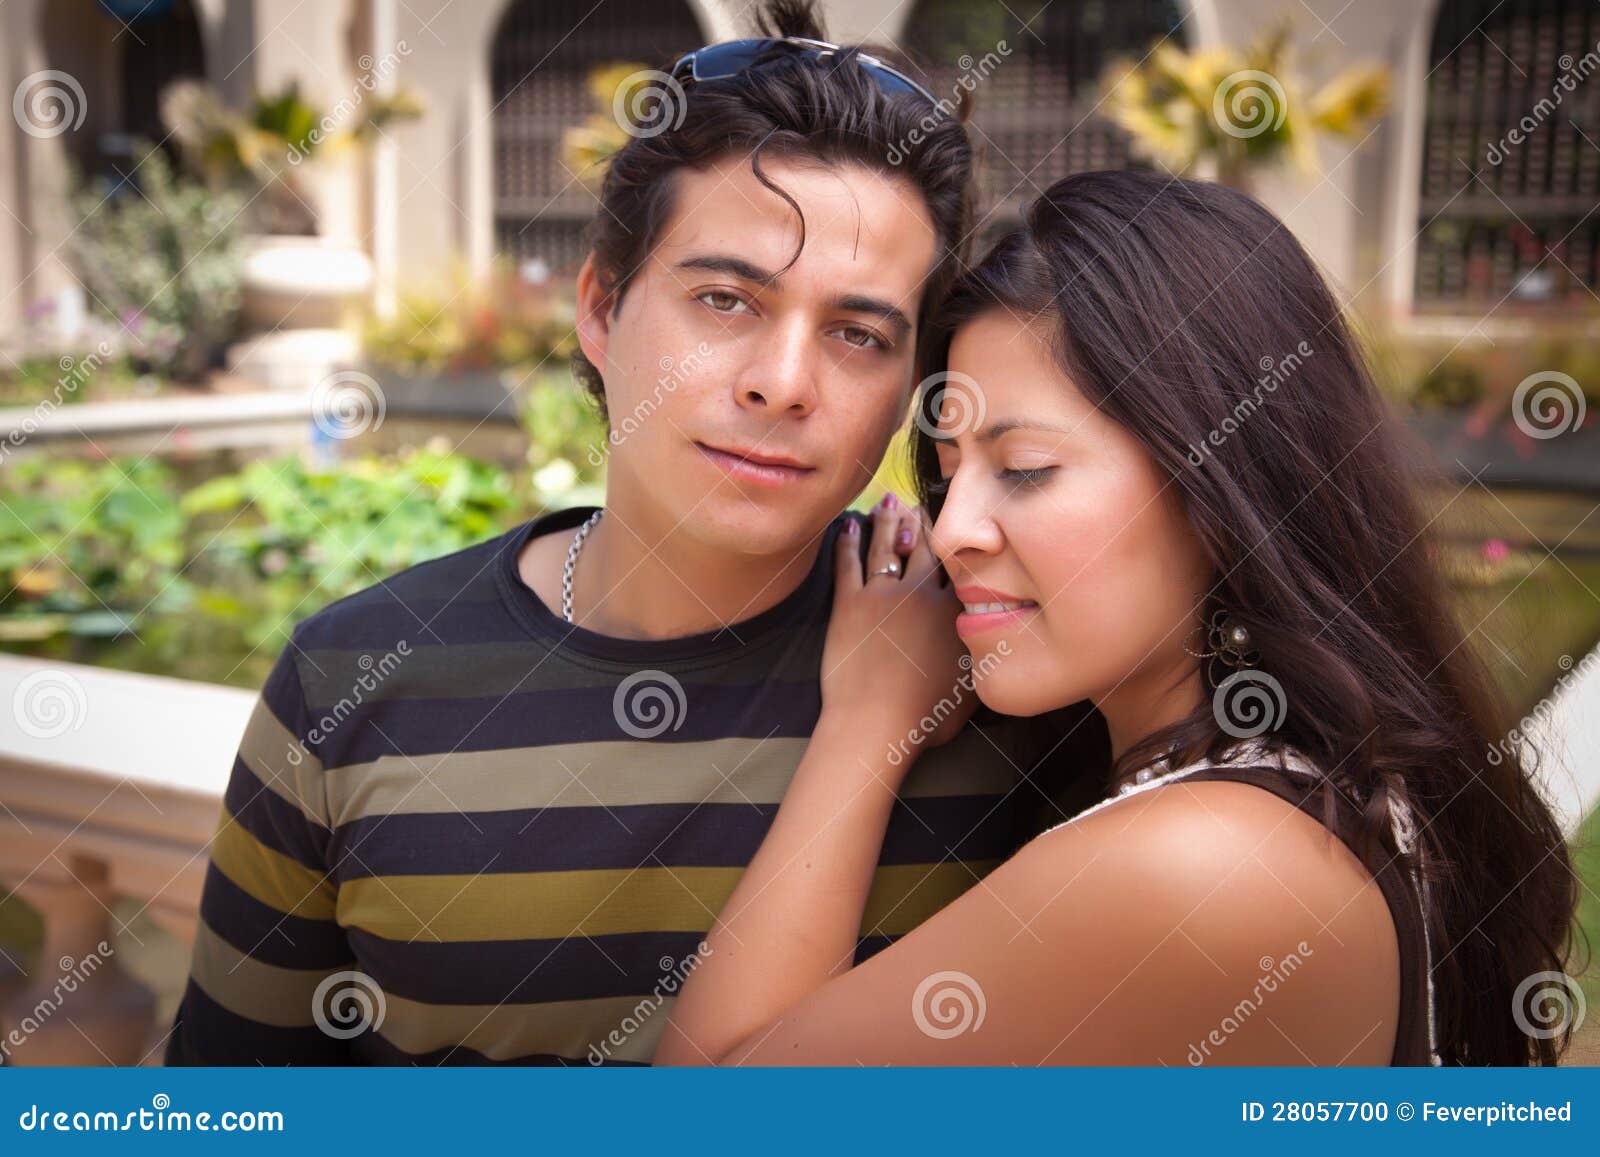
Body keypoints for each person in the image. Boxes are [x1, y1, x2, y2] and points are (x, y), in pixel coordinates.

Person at [163, 0, 1100, 1066]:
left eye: (857, 332)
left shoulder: (997, 671)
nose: (782, 383)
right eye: (726, 300)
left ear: (909, 386)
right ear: (601, 309)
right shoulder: (352, 681)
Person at [655, 170, 1580, 1067]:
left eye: (1022, 468)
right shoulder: (1302, 791)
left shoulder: (1203, 868)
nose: (951, 529)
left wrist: (866, 722)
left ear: (1220, 485)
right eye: (946, 473)